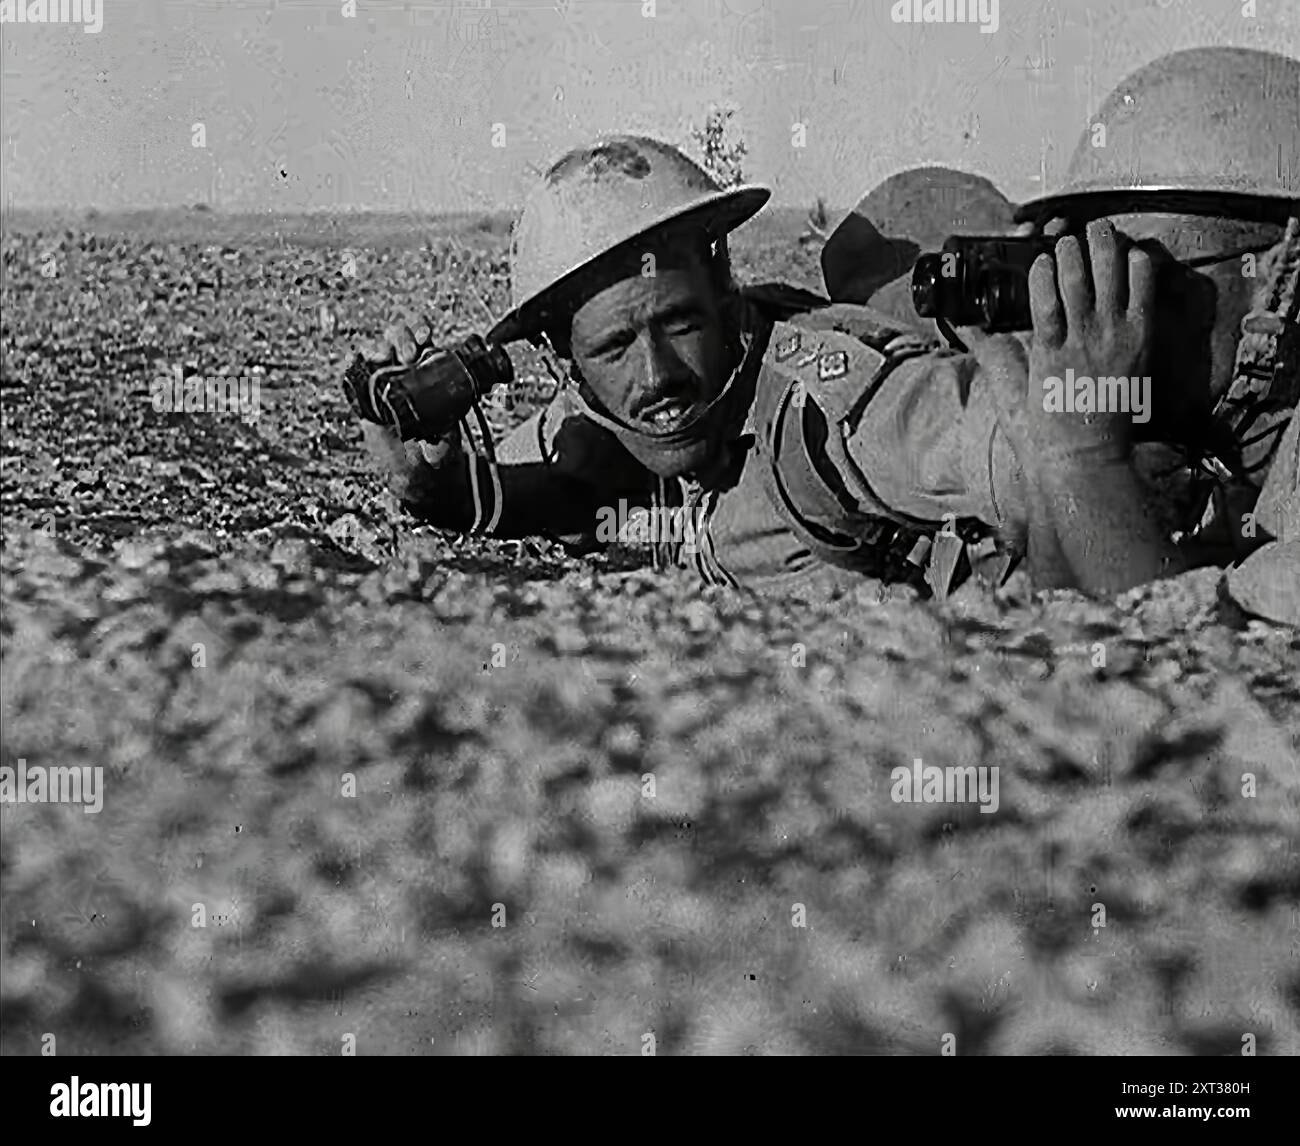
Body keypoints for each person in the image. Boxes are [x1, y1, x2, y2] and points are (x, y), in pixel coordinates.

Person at [346, 135, 999, 602]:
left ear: (726, 299)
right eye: (615, 347)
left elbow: (1005, 449)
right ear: (567, 368)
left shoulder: (825, 410)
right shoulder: (608, 415)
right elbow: (554, 488)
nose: (655, 374)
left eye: (681, 323)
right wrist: (432, 485)